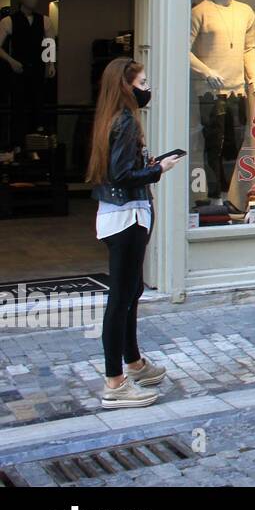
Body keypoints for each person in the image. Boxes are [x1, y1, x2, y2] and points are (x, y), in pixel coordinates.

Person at [87, 57, 181, 409]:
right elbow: (123, 175)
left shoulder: (111, 119)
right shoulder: (125, 121)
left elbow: (119, 168)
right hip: (127, 217)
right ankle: (115, 382)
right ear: (127, 86)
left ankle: (134, 362)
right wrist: (159, 168)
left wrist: (147, 163)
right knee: (121, 298)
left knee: (130, 292)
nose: (147, 87)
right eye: (142, 81)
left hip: (120, 215)